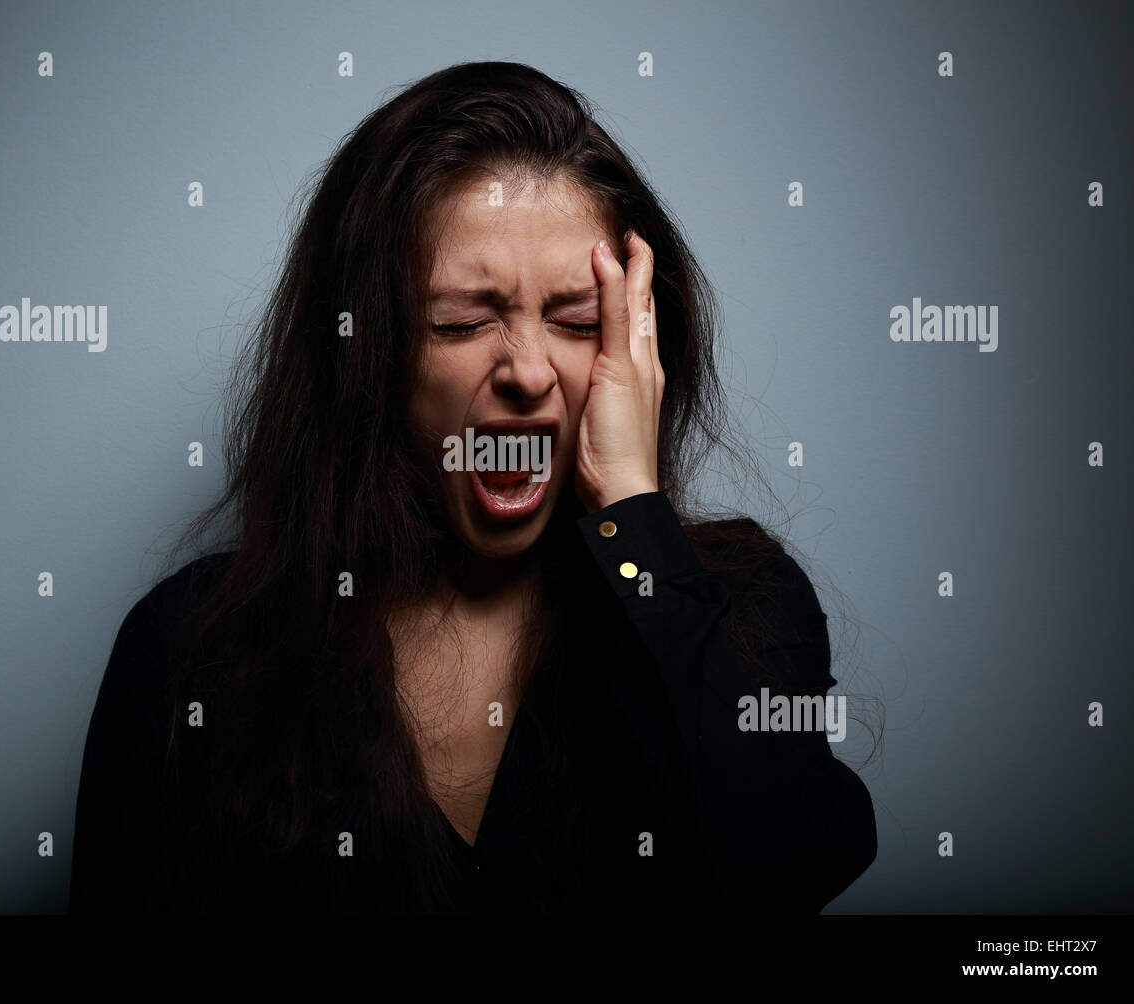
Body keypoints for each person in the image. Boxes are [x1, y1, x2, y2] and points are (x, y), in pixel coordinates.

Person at [68, 60, 877, 916]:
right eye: (461, 322)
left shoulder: (743, 606)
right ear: (368, 356)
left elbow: (786, 870)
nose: (528, 371)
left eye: (577, 321)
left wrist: (634, 519)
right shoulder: (191, 651)